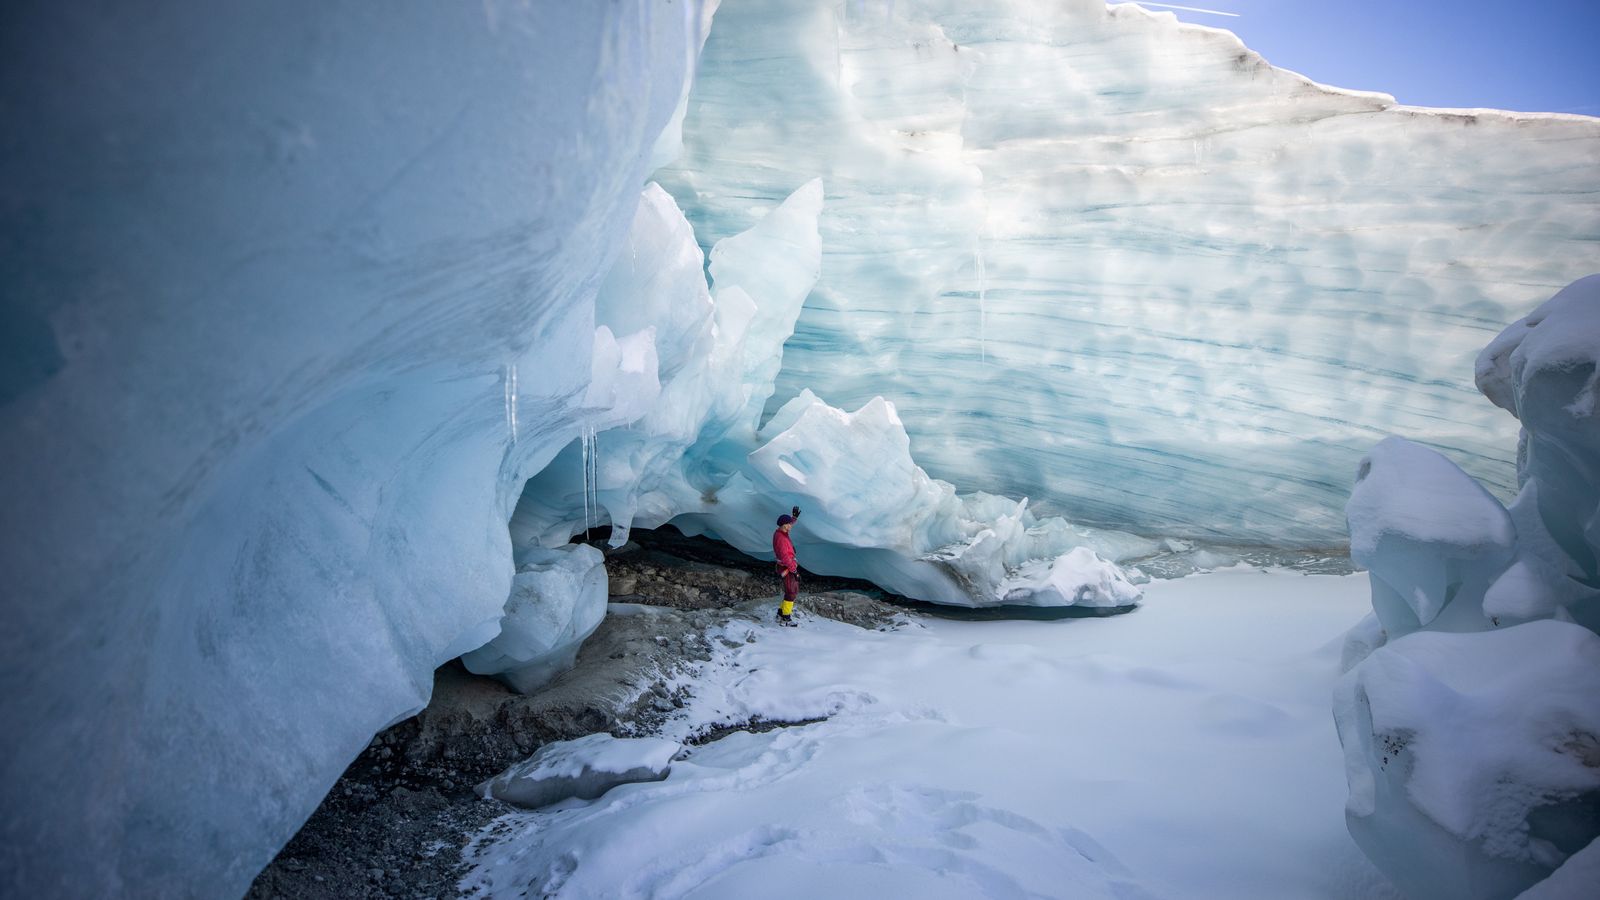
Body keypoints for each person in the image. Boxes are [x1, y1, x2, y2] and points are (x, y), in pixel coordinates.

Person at [773, 505, 802, 626]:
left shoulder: (781, 531)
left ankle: (781, 612)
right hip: (786, 568)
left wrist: (793, 518)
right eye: (788, 524)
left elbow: (788, 524)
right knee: (791, 592)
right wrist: (794, 571)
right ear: (783, 525)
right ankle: (786, 618)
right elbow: (785, 558)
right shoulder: (781, 539)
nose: (790, 526)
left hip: (787, 566)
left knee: (790, 590)